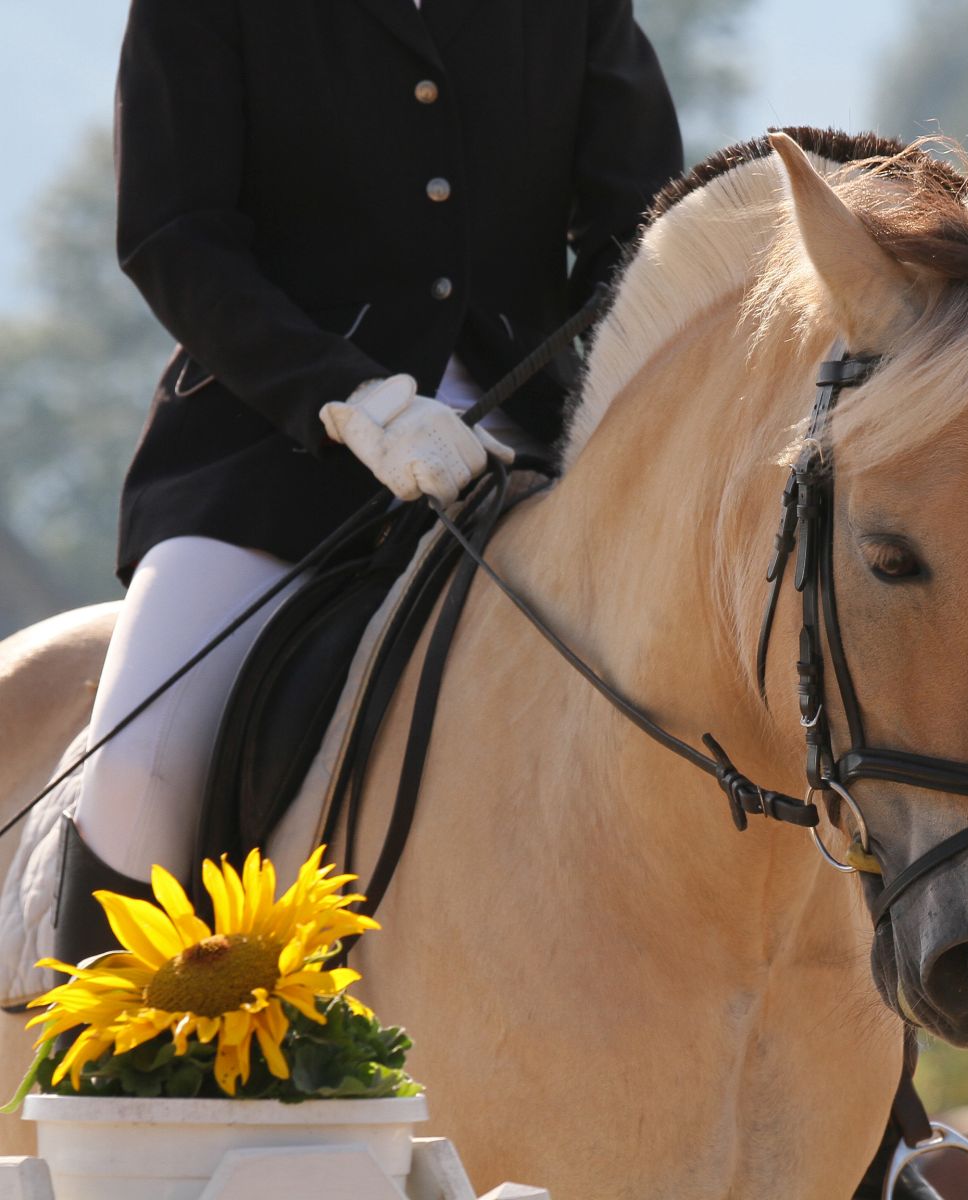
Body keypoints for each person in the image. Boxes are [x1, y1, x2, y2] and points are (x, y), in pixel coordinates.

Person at [54, 0, 683, 964]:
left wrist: (626, 405)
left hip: (545, 442)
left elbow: (636, 229)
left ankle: (889, 1108)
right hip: (275, 449)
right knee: (141, 766)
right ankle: (107, 1094)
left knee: (779, 664)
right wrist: (349, 399)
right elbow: (174, 237)